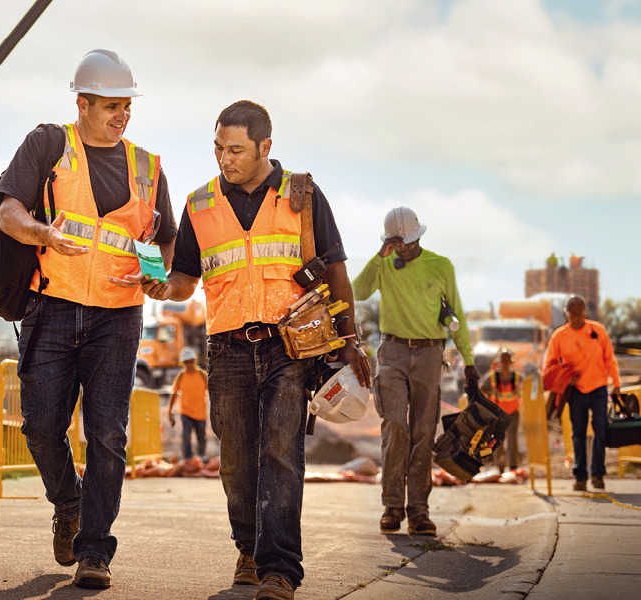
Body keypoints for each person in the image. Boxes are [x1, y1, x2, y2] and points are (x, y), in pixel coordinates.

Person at [142, 100, 369, 600]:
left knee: (281, 453)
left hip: (290, 347)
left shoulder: (302, 195)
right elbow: (185, 277)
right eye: (219, 148)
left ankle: (280, 570)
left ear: (266, 147)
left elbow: (335, 270)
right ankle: (248, 549)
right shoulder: (200, 204)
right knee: (236, 461)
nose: (225, 158)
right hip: (226, 350)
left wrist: (350, 341)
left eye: (237, 150)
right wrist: (164, 289)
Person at [0, 49, 177, 589]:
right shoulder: (48, 144)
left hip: (117, 318)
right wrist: (43, 234)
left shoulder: (147, 166)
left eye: (127, 106)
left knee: (108, 435)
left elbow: (161, 240)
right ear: (82, 103)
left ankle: (96, 549)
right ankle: (67, 502)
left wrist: (155, 273)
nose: (122, 115)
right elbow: (9, 213)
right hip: (51, 306)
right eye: (111, 106)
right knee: (41, 425)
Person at [352, 206, 478, 537]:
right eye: (397, 243)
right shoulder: (384, 265)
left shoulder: (440, 265)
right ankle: (392, 506)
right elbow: (357, 292)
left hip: (429, 354)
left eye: (407, 243)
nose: (403, 249)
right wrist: (380, 256)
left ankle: (419, 511)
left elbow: (458, 314)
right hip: (392, 353)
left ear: (419, 237)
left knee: (423, 432)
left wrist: (469, 360)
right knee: (394, 427)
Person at [542, 295, 620, 491]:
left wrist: (616, 384)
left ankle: (598, 474)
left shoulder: (597, 330)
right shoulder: (559, 336)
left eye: (580, 314)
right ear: (566, 313)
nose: (577, 318)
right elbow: (549, 367)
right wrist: (566, 376)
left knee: (601, 428)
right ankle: (580, 476)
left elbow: (609, 358)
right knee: (578, 432)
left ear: (585, 312)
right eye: (572, 314)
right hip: (575, 391)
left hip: (599, 388)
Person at [480, 347, 522, 473]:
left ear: (511, 363)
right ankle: (500, 467)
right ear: (498, 363)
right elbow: (482, 389)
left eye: (507, 362)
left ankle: (513, 466)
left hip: (513, 412)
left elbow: (523, 390)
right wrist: (491, 391)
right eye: (503, 362)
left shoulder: (516, 377)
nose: (505, 365)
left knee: (512, 439)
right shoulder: (492, 378)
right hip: (498, 414)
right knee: (498, 440)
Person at [167, 347, 209, 462]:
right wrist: (169, 412)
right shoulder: (180, 377)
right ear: (183, 363)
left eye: (191, 361)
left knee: (202, 437)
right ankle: (187, 459)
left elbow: (212, 392)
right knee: (186, 436)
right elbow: (174, 395)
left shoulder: (202, 376)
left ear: (194, 361)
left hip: (201, 413)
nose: (189, 364)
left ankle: (202, 457)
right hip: (186, 412)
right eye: (186, 362)